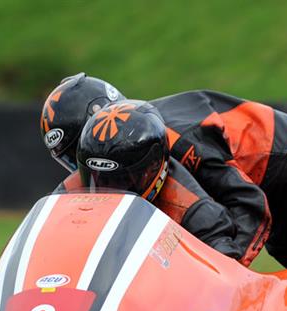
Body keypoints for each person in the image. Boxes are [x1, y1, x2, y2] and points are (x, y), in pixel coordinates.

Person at [40, 75, 287, 268]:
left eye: (79, 151)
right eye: (74, 160)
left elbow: (246, 203)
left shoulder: (175, 142)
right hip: (264, 178)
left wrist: (224, 274)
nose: (86, 169)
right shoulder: (136, 146)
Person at [59, 100, 270, 265]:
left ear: (153, 168)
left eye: (122, 180)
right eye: (98, 179)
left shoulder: (195, 210)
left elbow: (228, 268)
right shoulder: (69, 190)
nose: (109, 191)